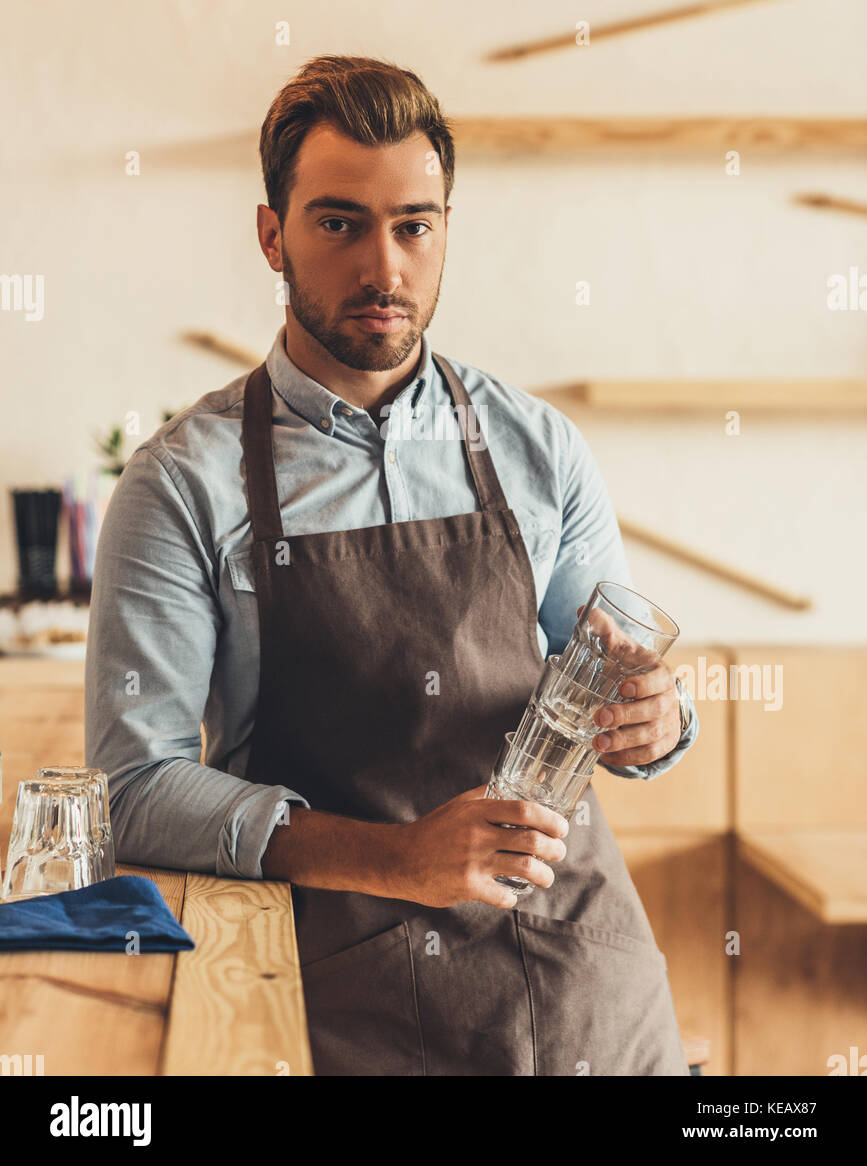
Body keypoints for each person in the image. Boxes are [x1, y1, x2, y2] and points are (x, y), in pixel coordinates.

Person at [86, 55, 698, 1077]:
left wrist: (657, 724)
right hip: (348, 1001)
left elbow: (614, 688)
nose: (385, 266)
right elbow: (134, 789)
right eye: (340, 223)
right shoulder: (182, 486)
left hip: (588, 984)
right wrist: (396, 859)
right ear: (272, 235)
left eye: (415, 224)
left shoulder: (538, 448)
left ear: (445, 227)